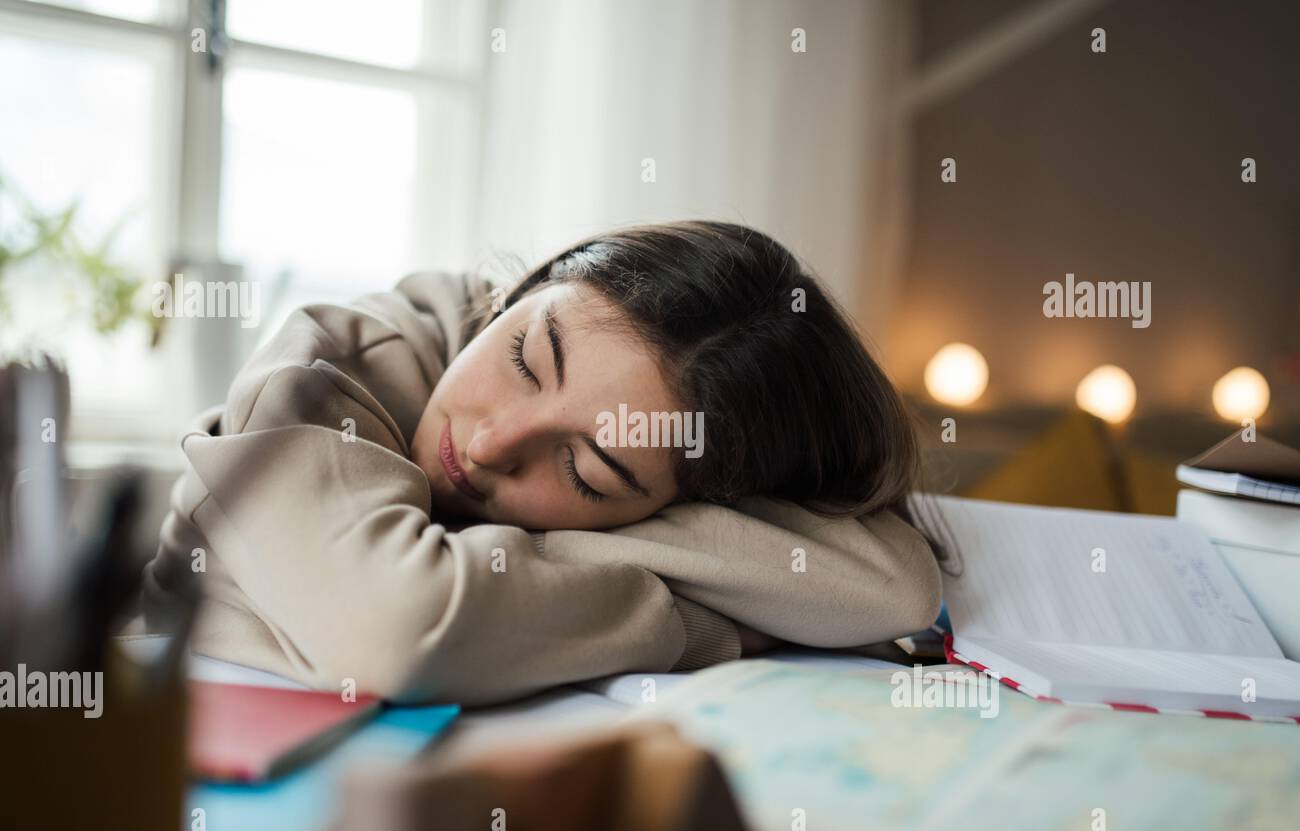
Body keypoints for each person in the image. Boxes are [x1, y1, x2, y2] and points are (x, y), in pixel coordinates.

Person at [143, 221, 942, 706]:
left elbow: (894, 585)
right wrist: (704, 622)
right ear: (521, 293)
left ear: (675, 509)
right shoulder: (327, 368)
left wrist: (529, 594)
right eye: (526, 358)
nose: (490, 445)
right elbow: (403, 627)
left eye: (587, 473)